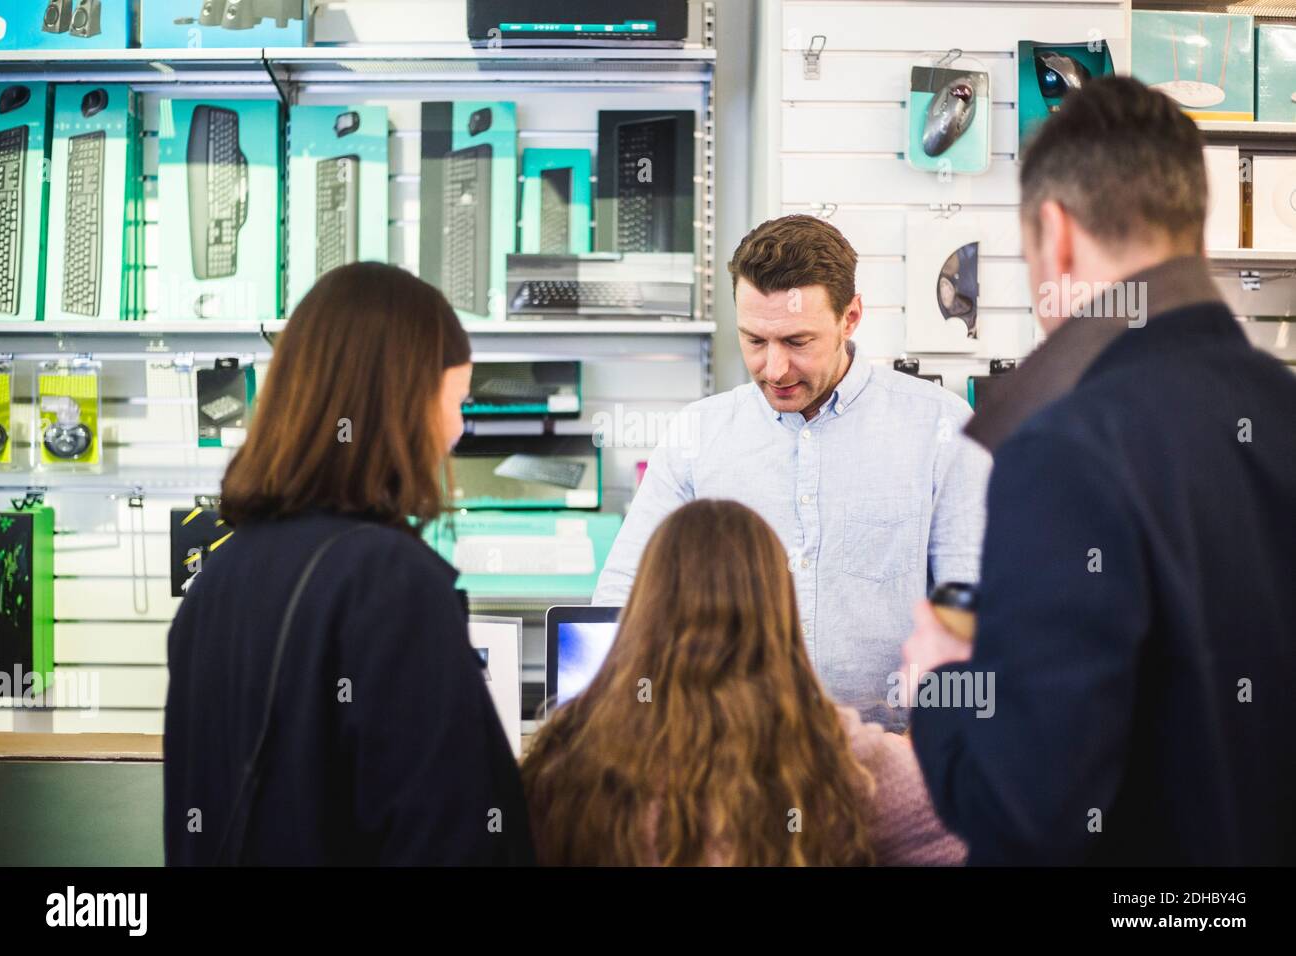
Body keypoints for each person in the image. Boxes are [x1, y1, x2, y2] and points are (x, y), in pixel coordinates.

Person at [903, 76, 1296, 865]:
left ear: (1059, 235)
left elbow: (1025, 810)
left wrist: (941, 683)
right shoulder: (1282, 405)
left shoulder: (1064, 451)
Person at [164, 262, 534, 866]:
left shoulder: (219, 582)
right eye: (456, 402)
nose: (457, 431)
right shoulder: (388, 583)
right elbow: (448, 835)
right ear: (402, 403)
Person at [593, 215, 991, 729]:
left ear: (850, 318)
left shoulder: (941, 429)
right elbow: (622, 602)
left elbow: (974, 619)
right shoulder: (697, 435)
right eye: (755, 341)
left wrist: (931, 757)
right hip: (730, 763)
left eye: (797, 342)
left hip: (890, 765)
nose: (774, 369)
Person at [525, 498, 965, 866]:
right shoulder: (843, 760)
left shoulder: (568, 760)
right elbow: (974, 833)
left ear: (643, 611)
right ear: (780, 617)